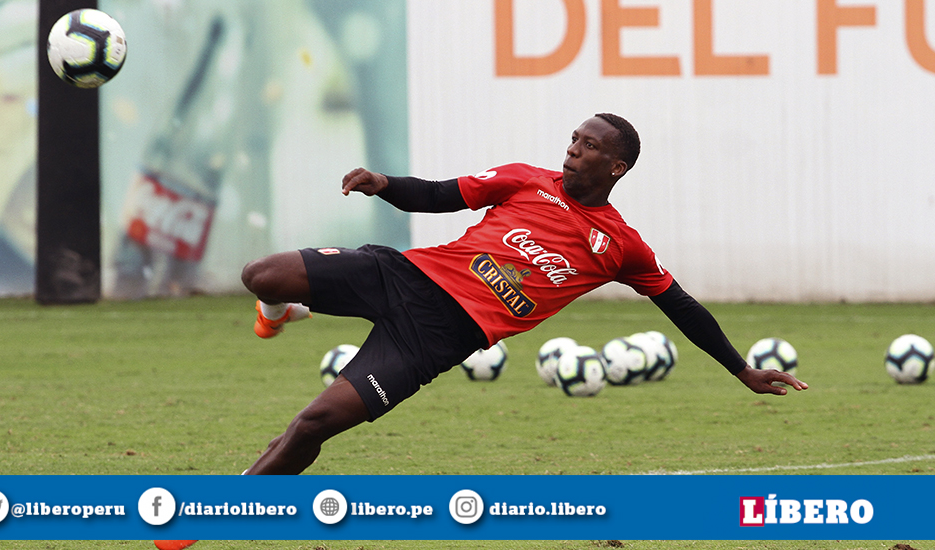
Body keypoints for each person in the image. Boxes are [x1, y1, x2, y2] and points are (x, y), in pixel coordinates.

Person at [239, 112, 809, 476]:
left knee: (313, 426)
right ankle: (283, 311)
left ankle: (225, 510)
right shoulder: (525, 178)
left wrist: (741, 370)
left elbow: (681, 306)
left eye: (588, 146)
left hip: (435, 337)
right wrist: (385, 185)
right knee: (261, 273)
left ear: (617, 166)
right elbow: (441, 195)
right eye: (573, 139)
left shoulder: (620, 246)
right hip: (404, 274)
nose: (573, 150)